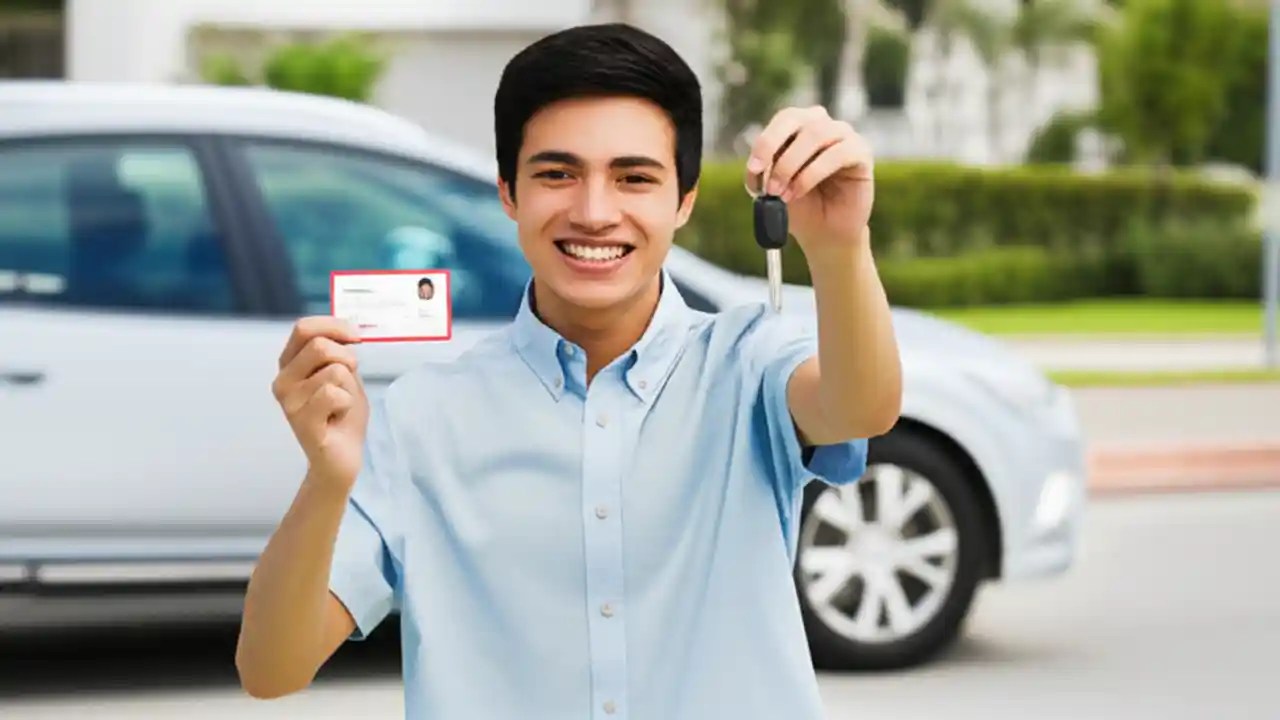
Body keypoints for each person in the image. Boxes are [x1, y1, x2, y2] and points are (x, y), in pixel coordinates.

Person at [236, 22, 902, 720]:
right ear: (507, 192)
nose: (593, 212)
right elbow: (270, 669)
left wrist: (839, 244)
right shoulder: (422, 416)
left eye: (633, 178)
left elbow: (862, 408)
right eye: (557, 174)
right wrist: (327, 481)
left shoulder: (748, 360)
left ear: (684, 200)